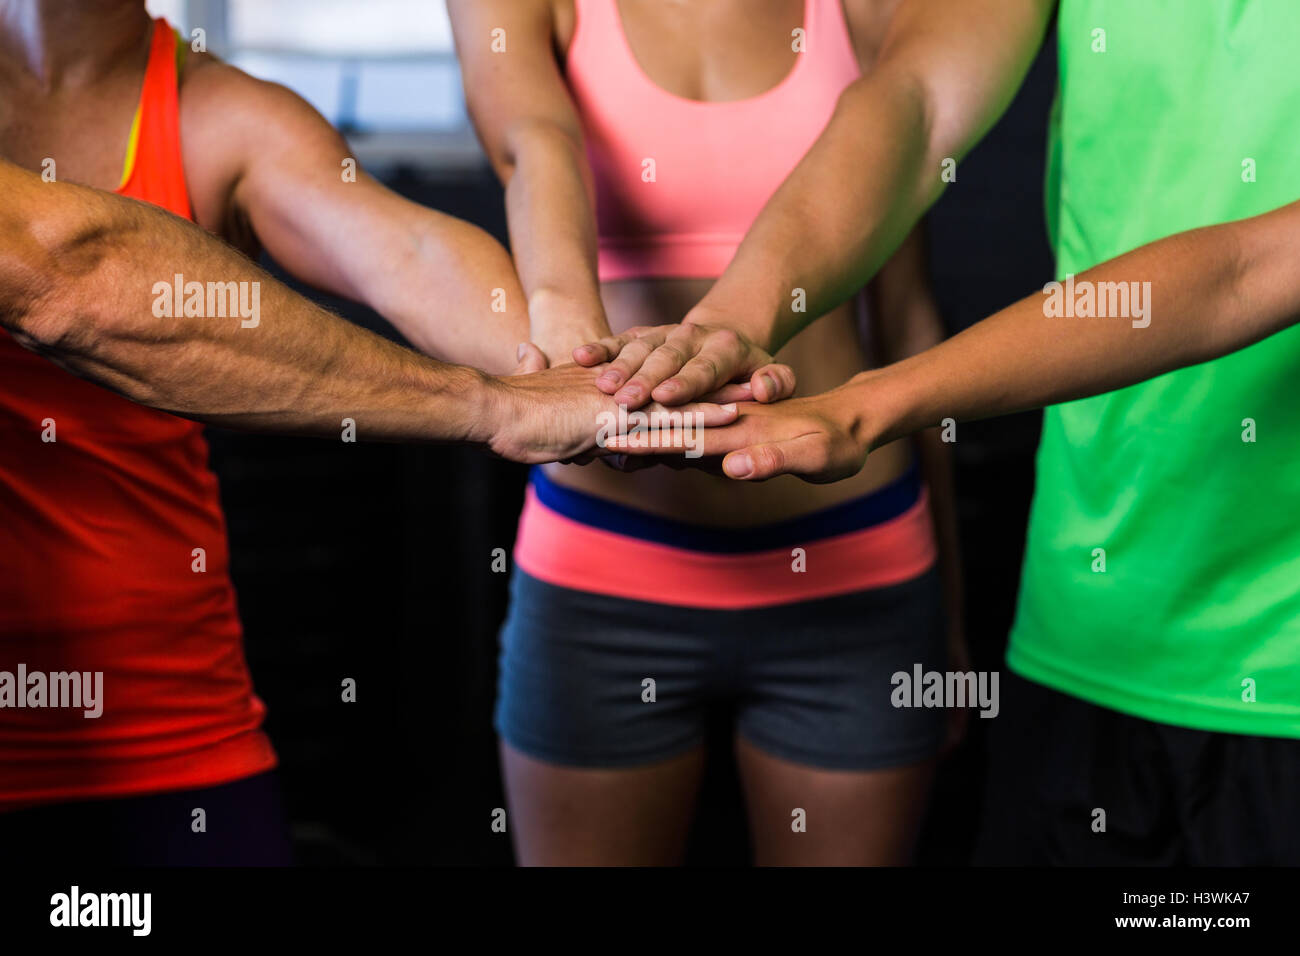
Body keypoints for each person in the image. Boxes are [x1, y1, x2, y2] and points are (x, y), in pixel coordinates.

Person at [0, 0, 730, 865]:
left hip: (177, 724)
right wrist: (494, 404)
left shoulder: (224, 116)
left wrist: (613, 383)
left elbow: (407, 254)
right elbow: (62, 271)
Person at [594, 0, 1300, 864]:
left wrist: (869, 403)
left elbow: (1254, 270)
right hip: (1088, 618)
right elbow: (917, 100)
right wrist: (735, 319)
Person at [449, 0, 966, 866]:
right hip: (600, 569)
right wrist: (575, 348)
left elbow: (908, 320)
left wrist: (950, 607)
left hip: (856, 569)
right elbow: (530, 141)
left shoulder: (869, 12)